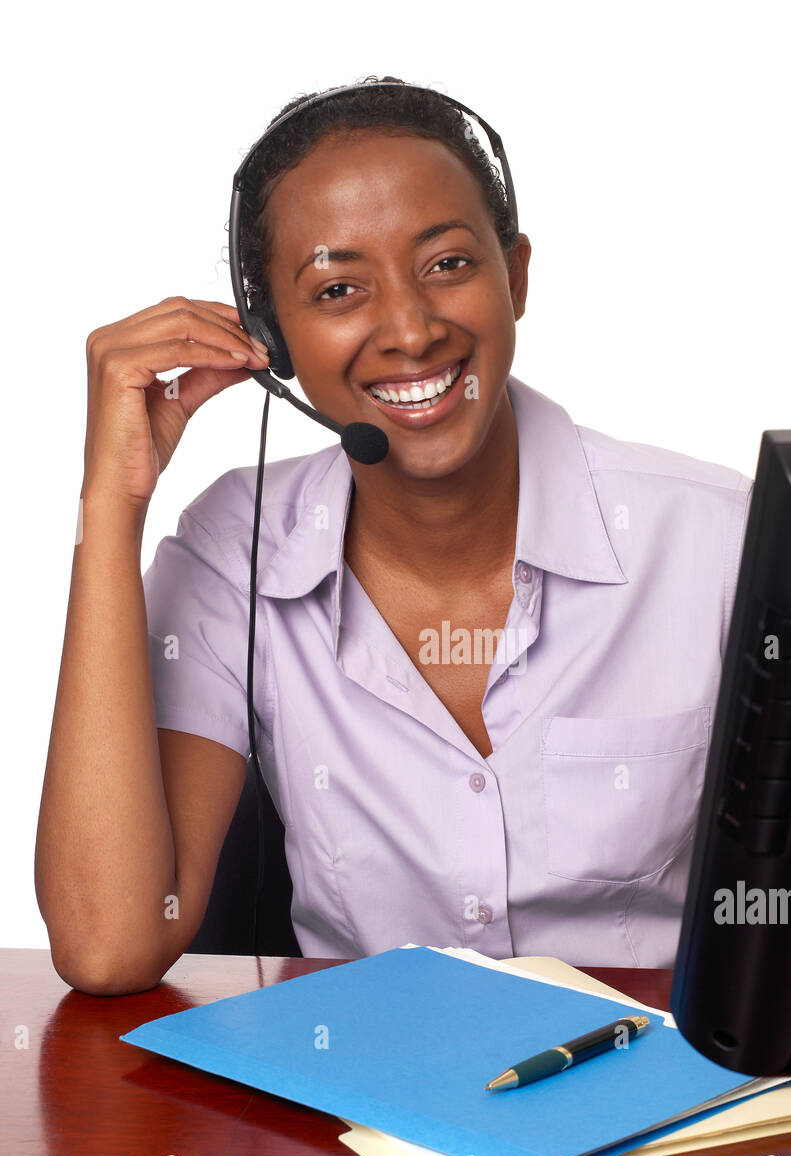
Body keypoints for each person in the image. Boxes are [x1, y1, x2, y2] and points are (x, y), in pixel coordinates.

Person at [35, 76, 751, 994]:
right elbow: (109, 946)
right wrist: (109, 505)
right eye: (338, 289)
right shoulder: (234, 550)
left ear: (515, 276)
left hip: (656, 1104)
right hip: (362, 1115)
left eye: (448, 264)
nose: (410, 330)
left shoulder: (718, 540)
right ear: (271, 338)